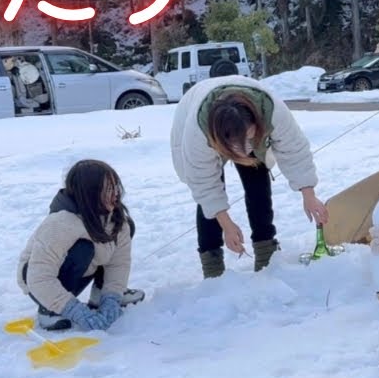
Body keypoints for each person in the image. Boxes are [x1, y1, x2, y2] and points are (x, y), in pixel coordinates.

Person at [170, 73, 327, 278]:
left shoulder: (272, 110)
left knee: (258, 181)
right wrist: (226, 224)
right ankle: (212, 265)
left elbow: (294, 150)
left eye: (249, 139)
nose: (244, 151)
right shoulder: (197, 132)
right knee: (209, 200)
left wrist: (308, 194)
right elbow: (204, 183)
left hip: (244, 121)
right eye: (237, 146)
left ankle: (265, 249)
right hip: (197, 115)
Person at [17, 159, 145, 331]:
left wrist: (112, 297)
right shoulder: (61, 223)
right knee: (83, 248)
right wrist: (76, 311)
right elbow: (39, 277)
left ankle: (101, 295)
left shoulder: (114, 217)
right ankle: (49, 309)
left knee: (123, 230)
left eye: (116, 187)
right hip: (38, 282)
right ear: (89, 193)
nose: (116, 194)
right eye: (108, 189)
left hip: (83, 270)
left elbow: (118, 263)